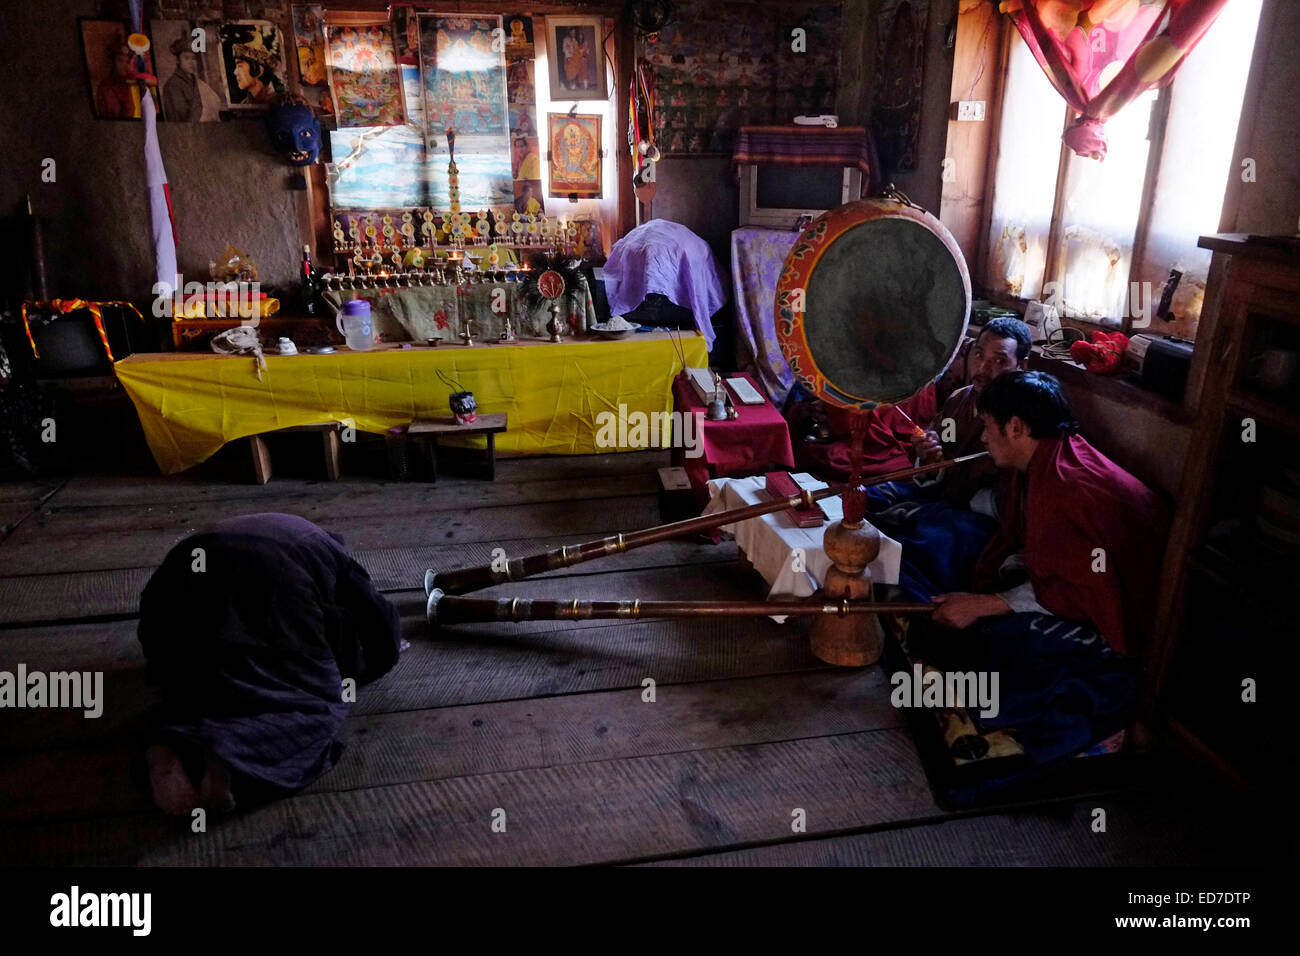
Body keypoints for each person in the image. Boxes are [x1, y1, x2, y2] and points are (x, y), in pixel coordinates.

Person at [135, 514, 402, 814]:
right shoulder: (333, 554)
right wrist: (365, 667)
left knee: (201, 681)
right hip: (270, 578)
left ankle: (168, 745)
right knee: (310, 703)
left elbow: (152, 625)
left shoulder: (289, 531)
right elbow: (384, 631)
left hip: (173, 587)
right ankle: (226, 754)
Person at [932, 370, 1170, 657]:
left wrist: (983, 604)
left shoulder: (1067, 487)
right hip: (1083, 590)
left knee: (1003, 642)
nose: (983, 437)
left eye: (987, 426)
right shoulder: (1049, 456)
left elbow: (1080, 590)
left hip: (1131, 618)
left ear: (1016, 427)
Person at [162, 37, 222, 121]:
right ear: (178, 60)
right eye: (186, 58)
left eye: (193, 58)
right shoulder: (172, 85)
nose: (191, 62)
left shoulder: (197, 82)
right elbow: (178, 117)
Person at [96, 41, 143, 119]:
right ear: (113, 62)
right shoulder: (107, 87)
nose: (124, 66)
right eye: (120, 61)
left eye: (127, 61)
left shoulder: (130, 82)